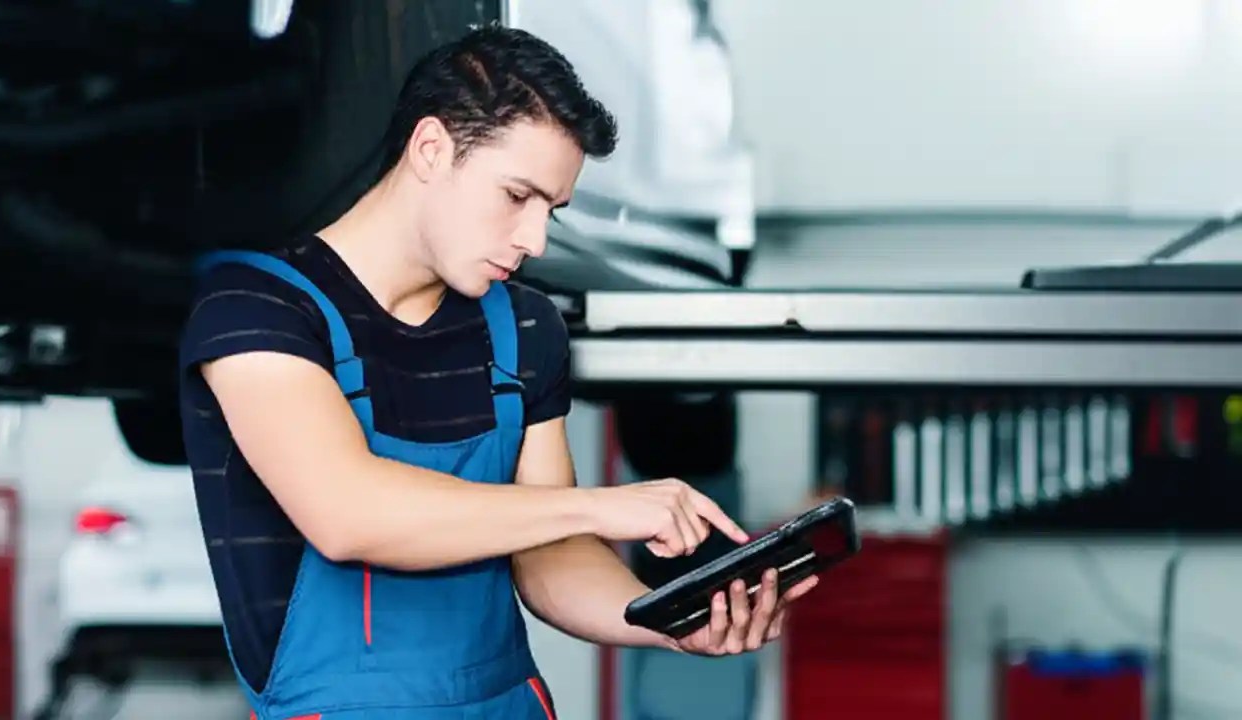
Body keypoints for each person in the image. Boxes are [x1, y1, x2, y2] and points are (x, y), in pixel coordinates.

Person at [178, 24, 819, 720]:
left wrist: (668, 621)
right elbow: (347, 513)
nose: (535, 239)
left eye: (552, 209)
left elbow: (549, 562)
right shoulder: (254, 310)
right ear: (431, 148)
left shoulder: (523, 330)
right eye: (517, 196)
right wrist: (600, 505)